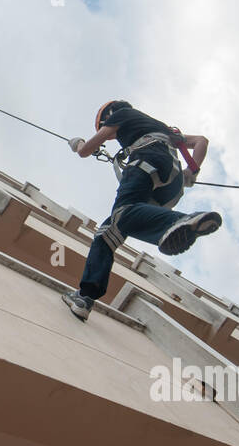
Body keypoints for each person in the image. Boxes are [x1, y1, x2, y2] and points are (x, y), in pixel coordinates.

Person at [61, 100, 222, 321]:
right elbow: (201, 141)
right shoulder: (163, 128)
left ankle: (182, 220)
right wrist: (191, 171)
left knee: (123, 212)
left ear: (110, 114)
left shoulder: (122, 114)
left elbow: (85, 151)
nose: (108, 133)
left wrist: (78, 144)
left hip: (147, 161)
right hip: (172, 185)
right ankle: (85, 298)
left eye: (104, 126)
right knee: (107, 233)